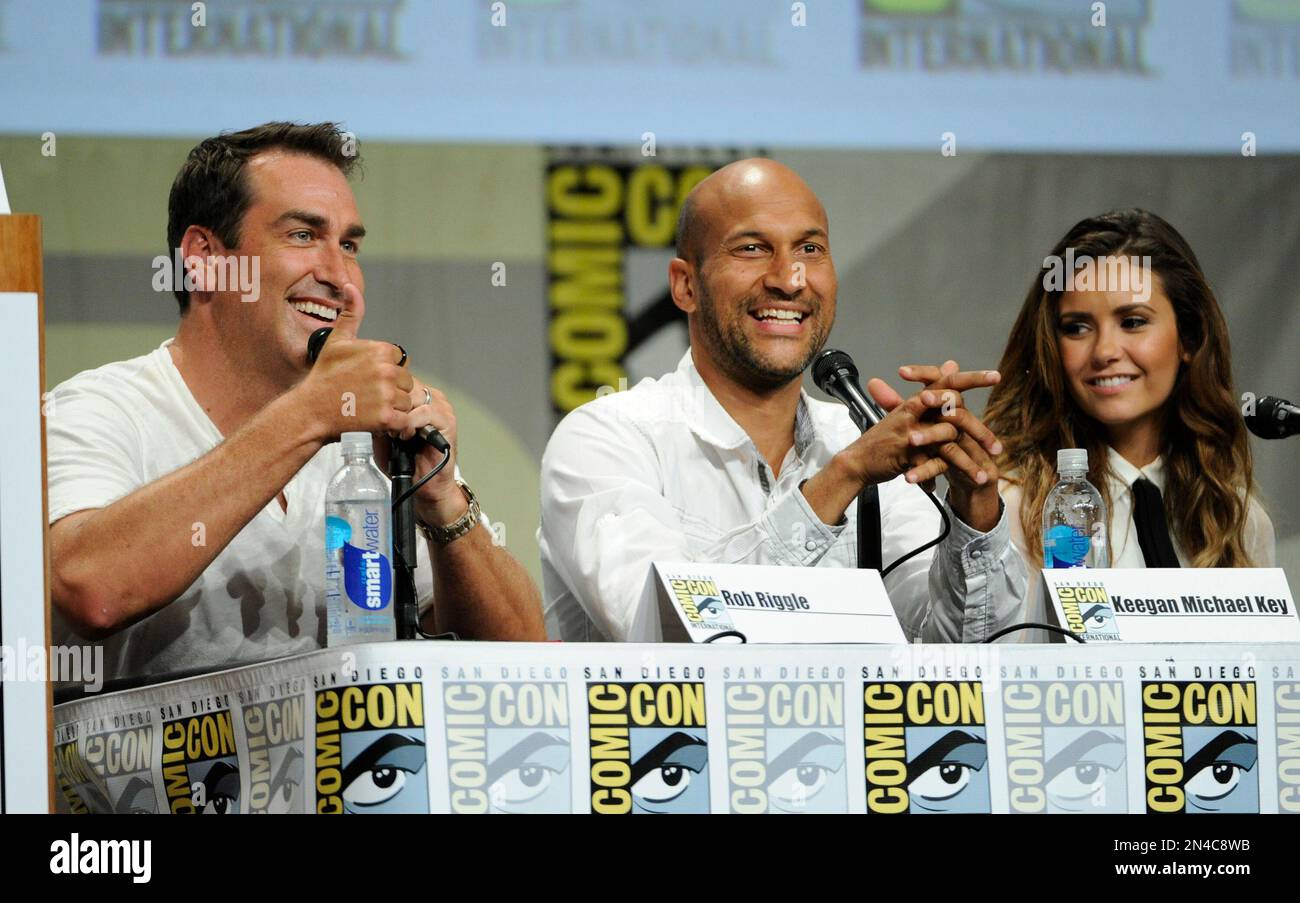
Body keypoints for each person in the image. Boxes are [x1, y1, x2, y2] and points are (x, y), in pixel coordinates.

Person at [47, 122, 544, 682]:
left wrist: (442, 500)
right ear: (205, 257)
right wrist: (311, 413)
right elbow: (91, 591)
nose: (339, 276)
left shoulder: (371, 441)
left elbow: (522, 671)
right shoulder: (96, 411)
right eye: (304, 236)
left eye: (349, 245)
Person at [539, 158, 1028, 643]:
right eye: (752, 248)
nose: (789, 278)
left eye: (810, 248)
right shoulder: (606, 438)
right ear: (686, 285)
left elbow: (964, 657)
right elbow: (677, 636)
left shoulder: (863, 441)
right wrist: (843, 477)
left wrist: (973, 505)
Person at [983, 208, 1275, 634]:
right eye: (1077, 327)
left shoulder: (1238, 518)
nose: (1104, 350)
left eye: (1133, 322)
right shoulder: (1013, 508)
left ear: (1189, 338)